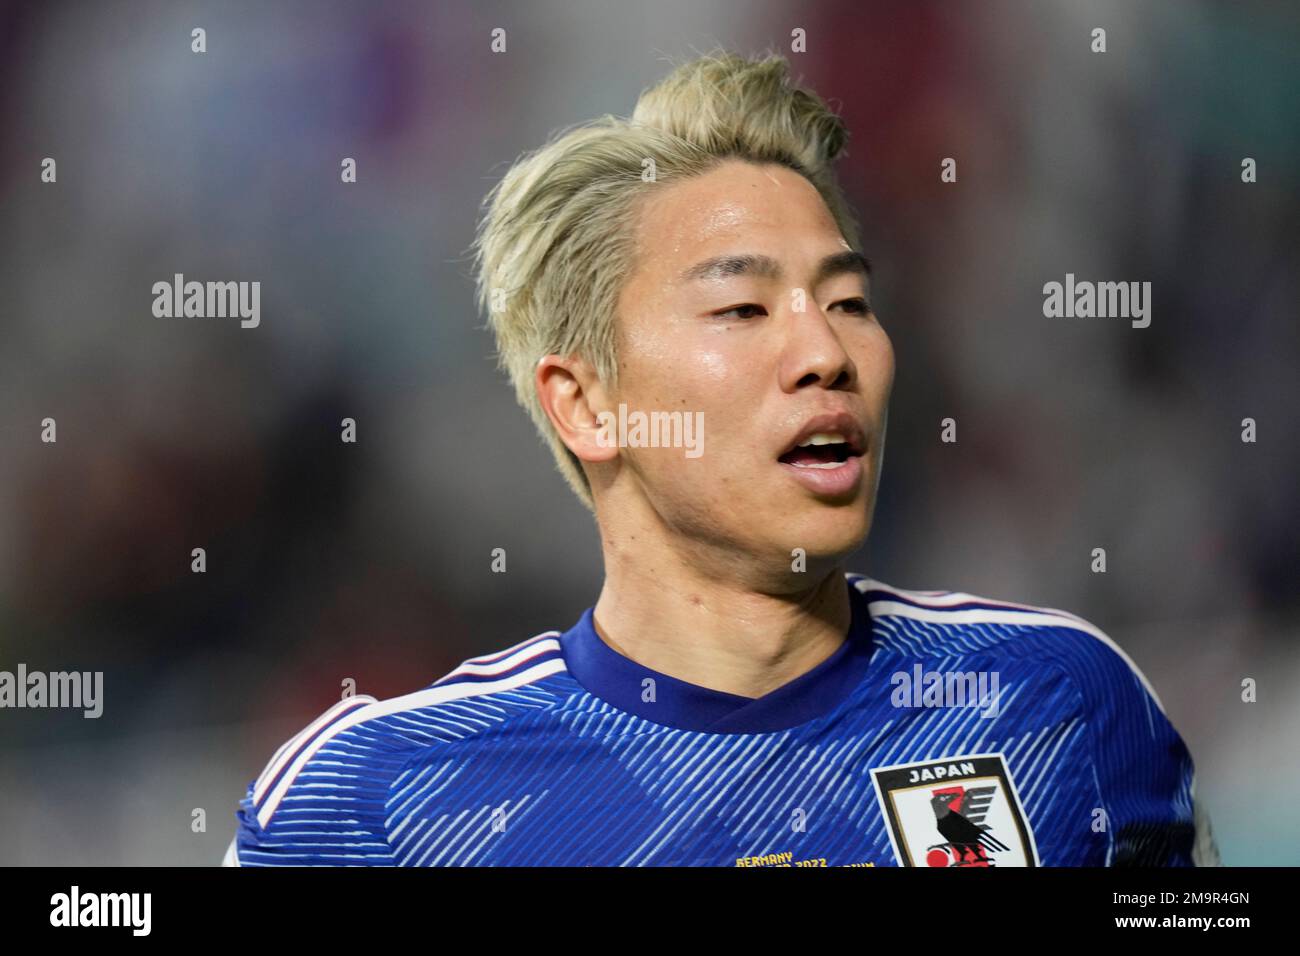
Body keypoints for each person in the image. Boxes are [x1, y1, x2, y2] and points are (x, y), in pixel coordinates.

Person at [223, 50, 1218, 867]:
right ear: (586, 404)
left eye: (846, 301)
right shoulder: (373, 799)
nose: (826, 352)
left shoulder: (1060, 705)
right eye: (741, 308)